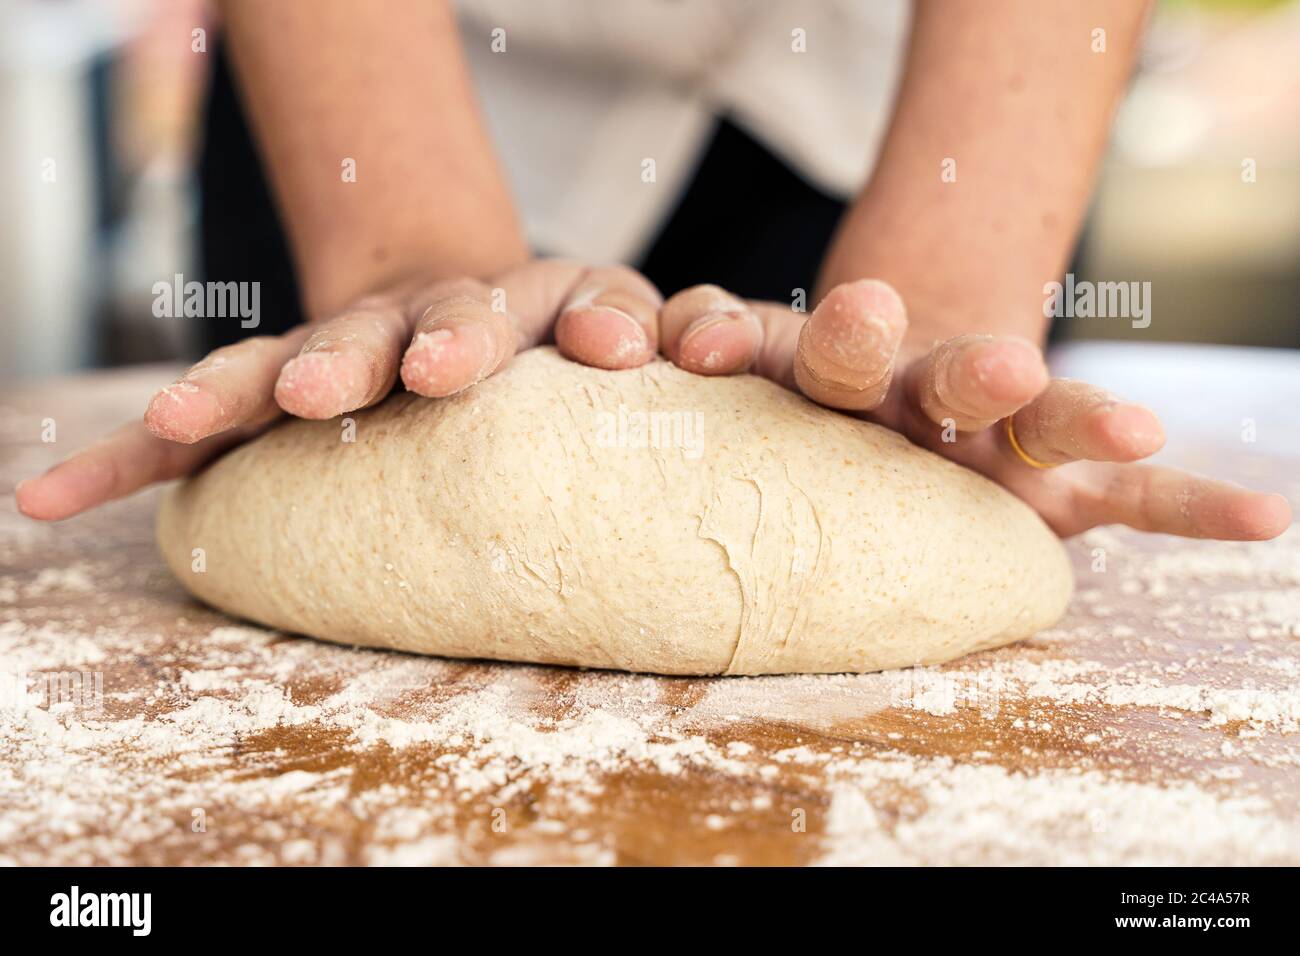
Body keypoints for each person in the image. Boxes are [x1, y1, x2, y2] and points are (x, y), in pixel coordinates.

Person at [16, 0, 1291, 542]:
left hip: (904, 92)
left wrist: (953, 287)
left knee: (919, 440)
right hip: (384, 74)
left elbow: (927, 348)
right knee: (364, 422)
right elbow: (402, 300)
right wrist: (406, 255)